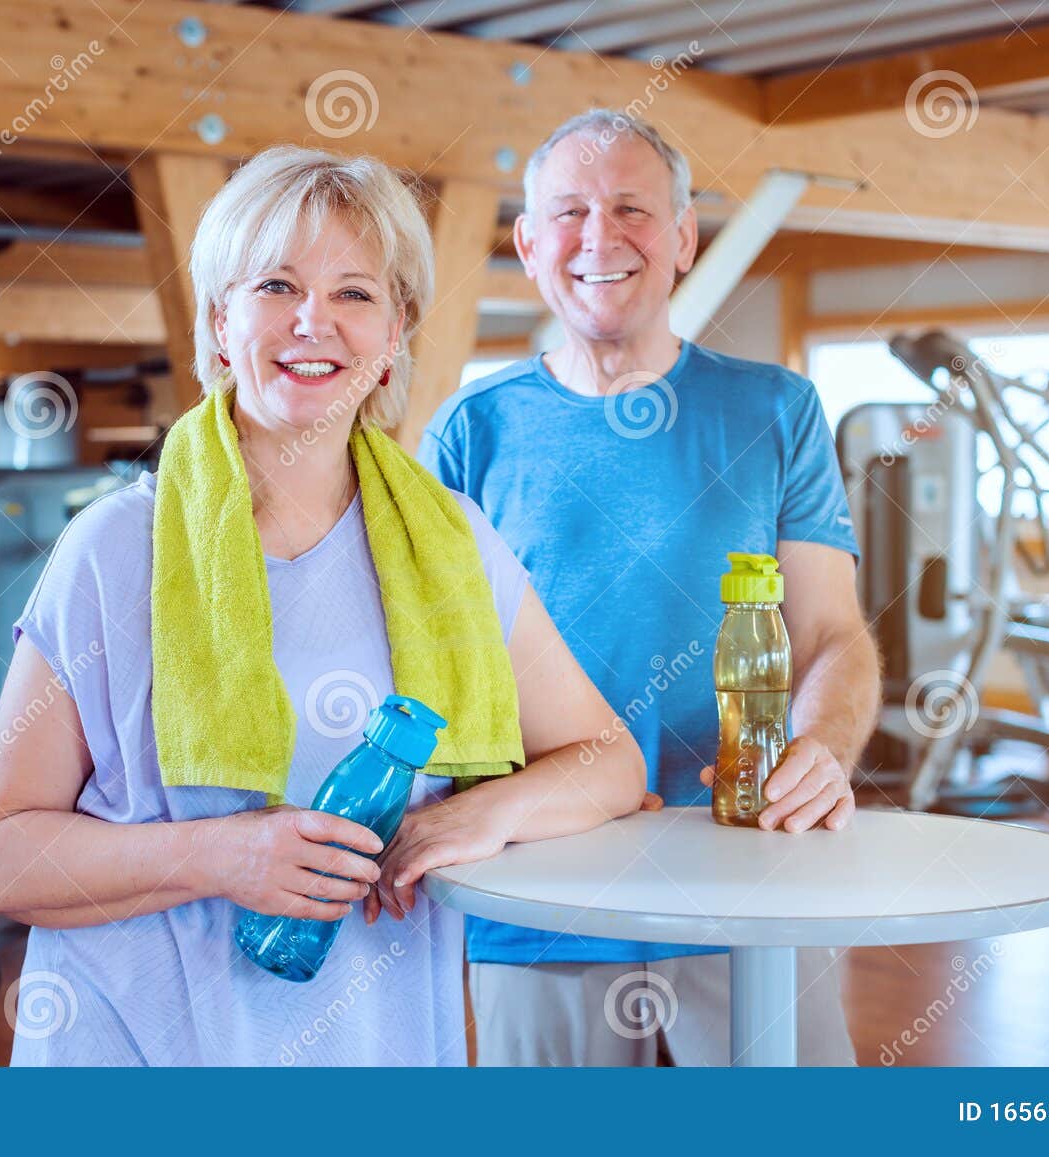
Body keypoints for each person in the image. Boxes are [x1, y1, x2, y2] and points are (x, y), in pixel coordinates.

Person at [0, 145, 646, 1067]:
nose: (313, 321)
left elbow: (609, 760)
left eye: (354, 293)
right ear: (219, 321)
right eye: (276, 285)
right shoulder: (117, 548)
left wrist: (483, 813)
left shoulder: (453, 544)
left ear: (394, 333)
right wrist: (221, 855)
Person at [416, 109, 881, 1066]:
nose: (600, 236)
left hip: (750, 868)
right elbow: (429, 664)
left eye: (631, 208)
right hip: (540, 897)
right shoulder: (468, 432)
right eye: (570, 212)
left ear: (682, 238)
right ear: (529, 244)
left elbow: (831, 634)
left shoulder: (777, 409)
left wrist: (823, 749)